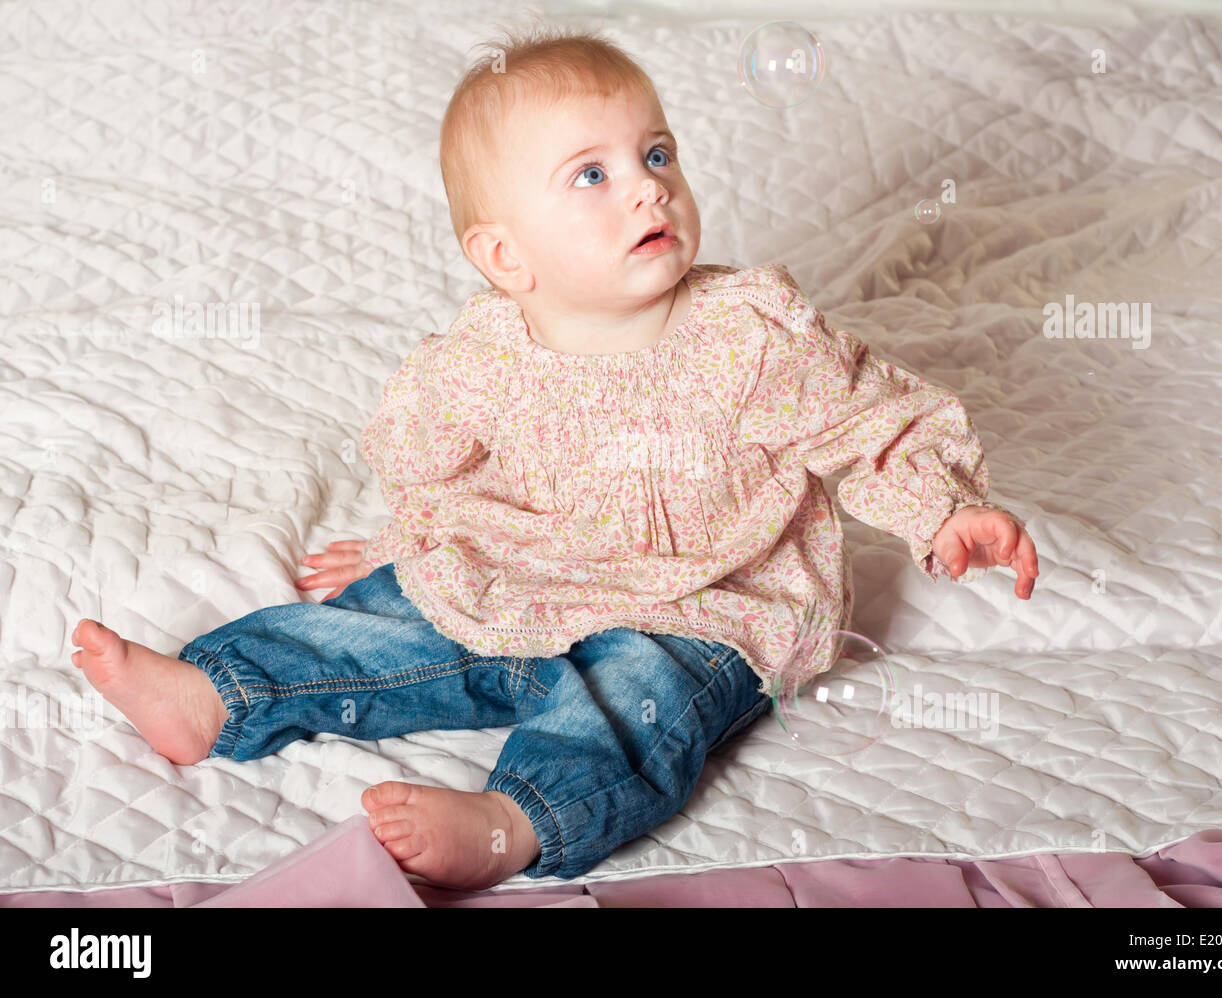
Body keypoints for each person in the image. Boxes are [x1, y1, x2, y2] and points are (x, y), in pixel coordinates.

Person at [71, 24, 1038, 891]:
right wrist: (416, 548)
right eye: (593, 174)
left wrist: (942, 507)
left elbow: (869, 419)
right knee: (392, 622)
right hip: (526, 575)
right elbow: (424, 464)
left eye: (655, 154)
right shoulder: (485, 359)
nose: (648, 185)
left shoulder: (750, 335)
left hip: (707, 605)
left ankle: (515, 821)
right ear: (506, 258)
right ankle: (218, 691)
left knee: (637, 702)